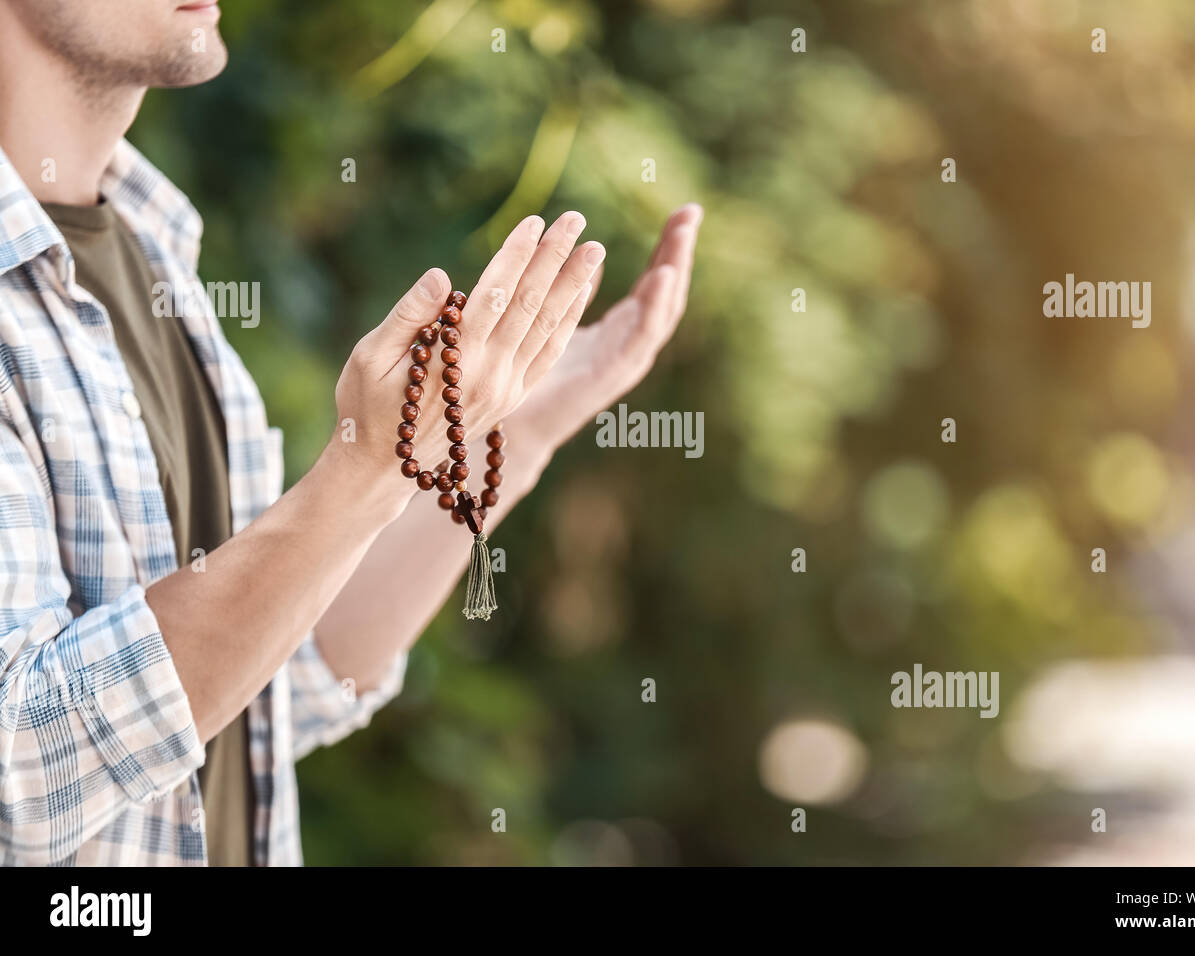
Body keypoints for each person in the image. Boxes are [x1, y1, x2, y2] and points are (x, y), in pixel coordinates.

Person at [0, 0, 700, 865]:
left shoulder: (154, 245)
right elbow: (21, 771)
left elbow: (277, 683)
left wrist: (511, 430)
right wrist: (364, 467)